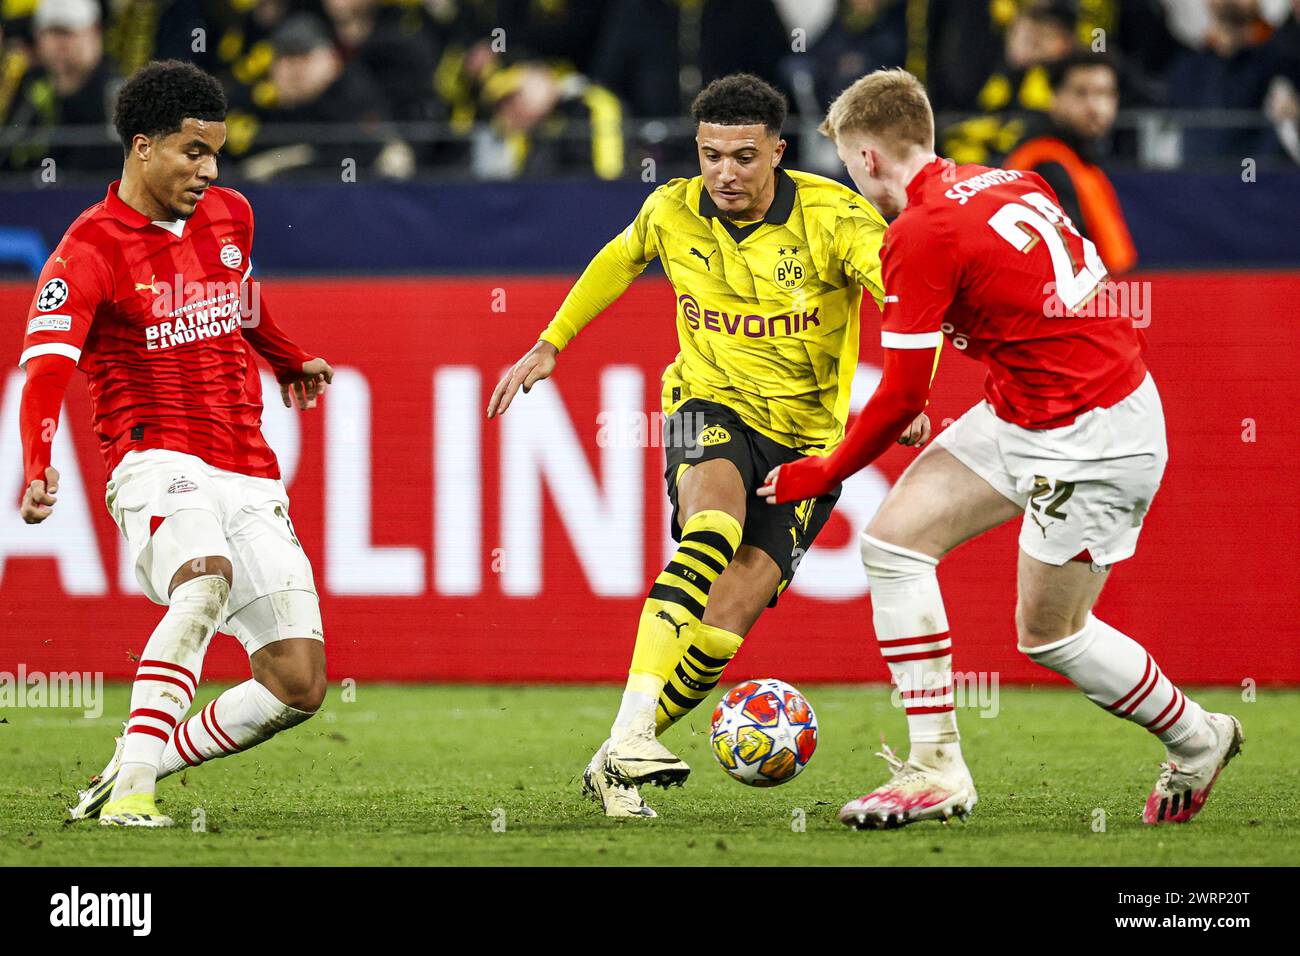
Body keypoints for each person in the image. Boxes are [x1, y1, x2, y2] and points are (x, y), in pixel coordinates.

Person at [759, 67, 1242, 829]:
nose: (851, 177)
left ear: (870, 158)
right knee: (892, 547)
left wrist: (820, 473)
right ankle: (935, 769)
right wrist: (905, 404)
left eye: (849, 161)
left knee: (1050, 636)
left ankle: (1197, 737)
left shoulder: (918, 232)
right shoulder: (1006, 178)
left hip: (1094, 438)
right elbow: (994, 312)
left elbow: (904, 395)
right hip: (1035, 409)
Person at [487, 73, 902, 818]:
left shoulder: (838, 219)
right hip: (700, 403)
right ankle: (635, 732)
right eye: (711, 155)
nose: (724, 174)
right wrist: (552, 342)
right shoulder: (672, 208)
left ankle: (617, 756)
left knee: (726, 621)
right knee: (713, 525)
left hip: (807, 440)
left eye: (744, 157)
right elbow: (619, 259)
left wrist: (908, 396)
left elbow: (899, 294)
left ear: (779, 150)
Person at [17, 59, 333, 827]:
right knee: (204, 578)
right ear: (142, 147)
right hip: (154, 456)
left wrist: (287, 356)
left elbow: (240, 300)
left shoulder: (230, 215)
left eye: (216, 152)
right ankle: (133, 795)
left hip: (248, 462)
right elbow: (46, 371)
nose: (209, 169)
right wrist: (37, 462)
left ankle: (135, 761)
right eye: (193, 151)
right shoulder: (88, 249)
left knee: (299, 685)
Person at [1004, 51, 1138, 275]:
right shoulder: (1045, 164)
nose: (1095, 107)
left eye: (1105, 94)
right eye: (1081, 93)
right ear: (1054, 97)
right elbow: (1069, 264)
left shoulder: (1076, 159)